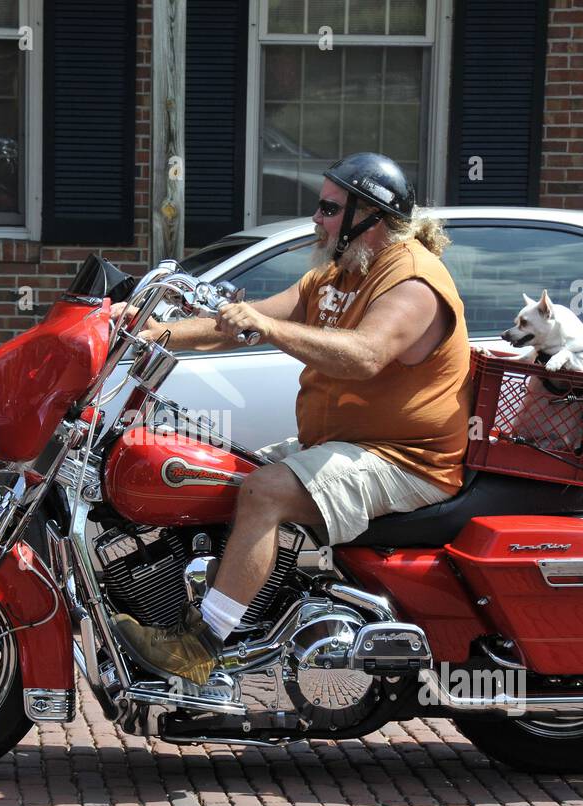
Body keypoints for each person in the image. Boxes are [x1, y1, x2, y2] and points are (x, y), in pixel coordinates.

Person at [110, 152, 473, 685]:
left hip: (405, 458)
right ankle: (225, 614)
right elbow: (233, 326)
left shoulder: (413, 279)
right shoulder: (337, 274)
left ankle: (202, 645)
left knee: (266, 491)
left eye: (328, 208)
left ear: (369, 217)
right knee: (217, 473)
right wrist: (133, 334)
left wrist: (267, 327)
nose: (317, 220)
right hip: (348, 443)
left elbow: (365, 354)